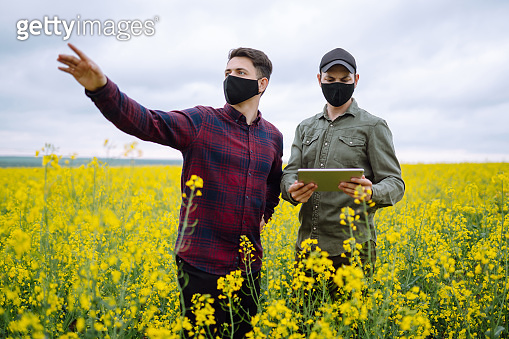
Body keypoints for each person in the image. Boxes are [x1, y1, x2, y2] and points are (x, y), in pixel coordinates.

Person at [58, 43, 283, 338]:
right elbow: (147, 121)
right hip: (201, 263)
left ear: (261, 83)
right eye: (227, 72)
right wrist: (101, 88)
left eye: (241, 72)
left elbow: (272, 181)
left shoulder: (273, 136)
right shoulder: (202, 122)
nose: (231, 78)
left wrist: (265, 213)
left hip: (248, 266)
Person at [281, 47, 405, 289]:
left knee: (351, 326)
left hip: (353, 252)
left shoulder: (373, 126)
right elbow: (290, 173)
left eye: (344, 79)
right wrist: (291, 189)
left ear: (356, 80)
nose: (337, 84)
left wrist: (371, 192)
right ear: (319, 80)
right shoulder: (305, 127)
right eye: (330, 79)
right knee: (305, 324)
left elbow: (395, 183)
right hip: (307, 248)